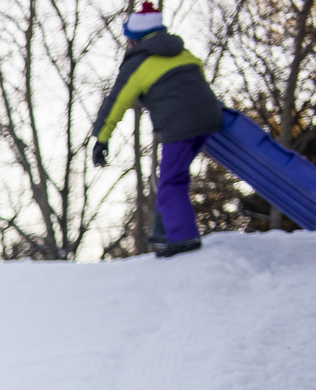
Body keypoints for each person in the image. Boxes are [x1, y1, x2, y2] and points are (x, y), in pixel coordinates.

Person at [90, 3, 224, 258]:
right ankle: (162, 232)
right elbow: (198, 78)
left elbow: (116, 102)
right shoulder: (183, 52)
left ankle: (183, 238)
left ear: (134, 39)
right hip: (210, 116)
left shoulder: (138, 63)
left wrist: (101, 139)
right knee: (173, 178)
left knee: (172, 181)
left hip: (180, 126)